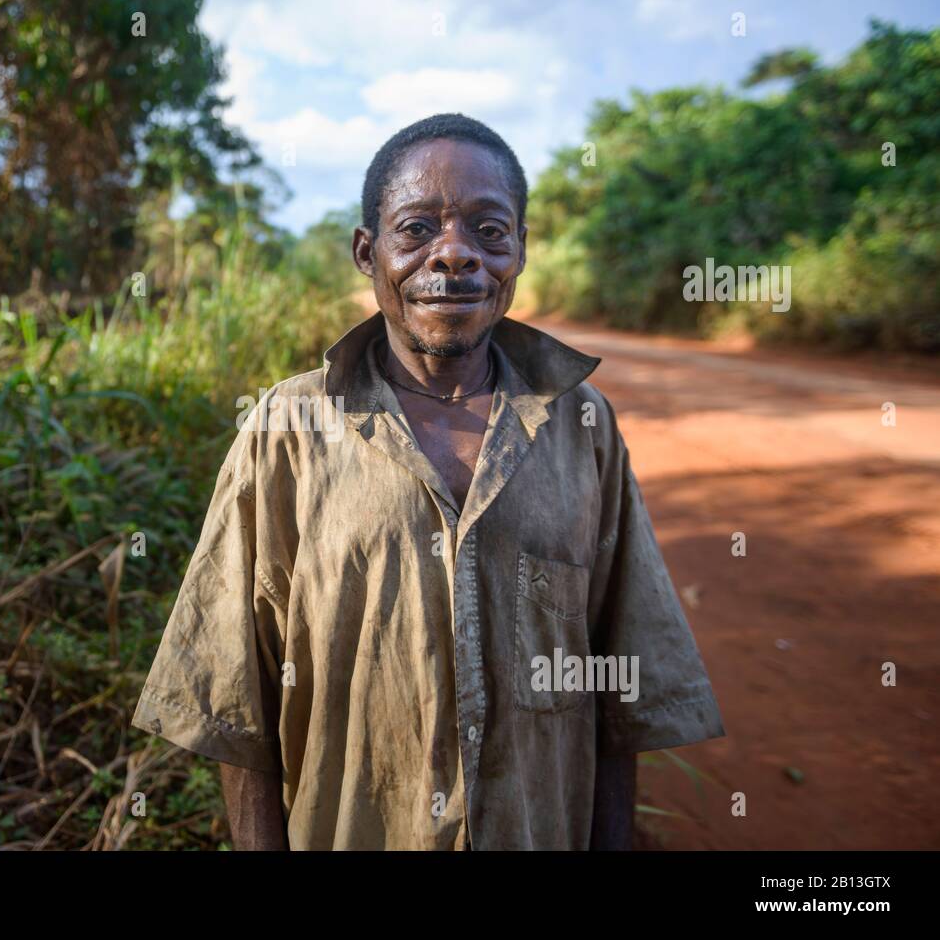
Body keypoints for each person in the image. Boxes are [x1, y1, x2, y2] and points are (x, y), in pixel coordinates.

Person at [132, 113, 725, 850]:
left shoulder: (582, 422)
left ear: (520, 252)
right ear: (366, 251)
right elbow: (231, 694)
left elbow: (620, 682)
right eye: (417, 230)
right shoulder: (286, 426)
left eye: (489, 231)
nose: (455, 255)